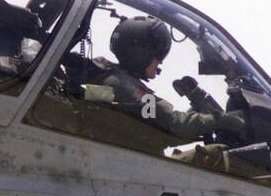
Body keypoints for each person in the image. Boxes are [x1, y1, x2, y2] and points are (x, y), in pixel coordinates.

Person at [88, 16, 245, 144]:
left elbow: (161, 122)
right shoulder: (123, 86)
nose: (160, 62)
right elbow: (174, 124)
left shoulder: (112, 77)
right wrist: (220, 119)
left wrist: (199, 111)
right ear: (140, 54)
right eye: (159, 55)